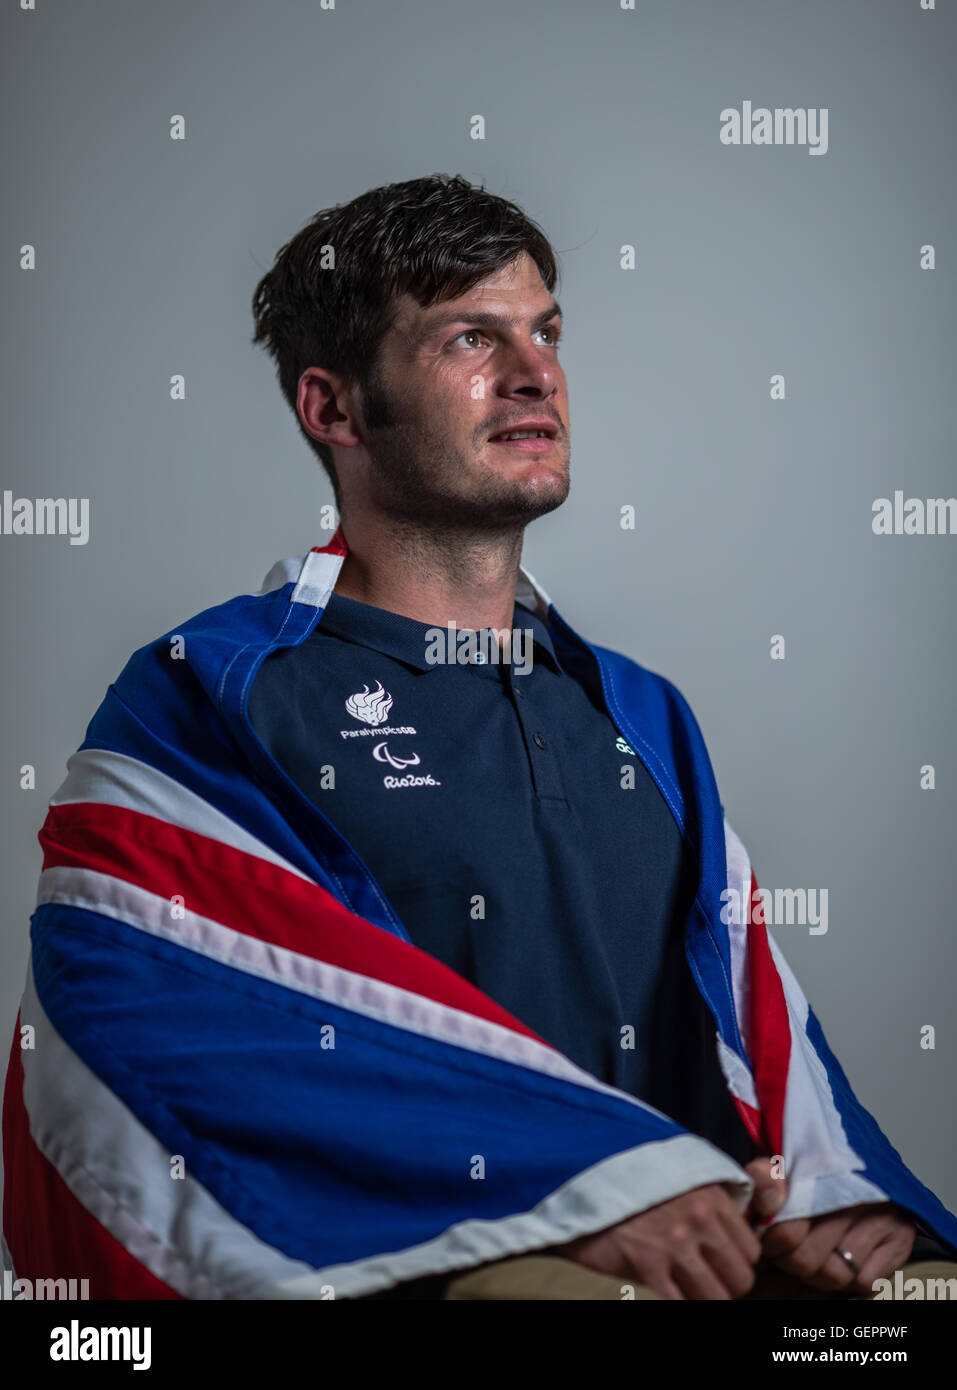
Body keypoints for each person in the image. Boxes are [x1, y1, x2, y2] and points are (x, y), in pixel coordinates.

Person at [3, 175, 955, 1302]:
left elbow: (746, 1019)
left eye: (545, 332)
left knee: (910, 1301)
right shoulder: (214, 691)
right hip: (430, 1268)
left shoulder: (638, 709)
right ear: (335, 410)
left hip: (675, 1254)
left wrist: (832, 1184)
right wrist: (586, 1185)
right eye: (470, 337)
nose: (535, 372)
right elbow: (142, 1013)